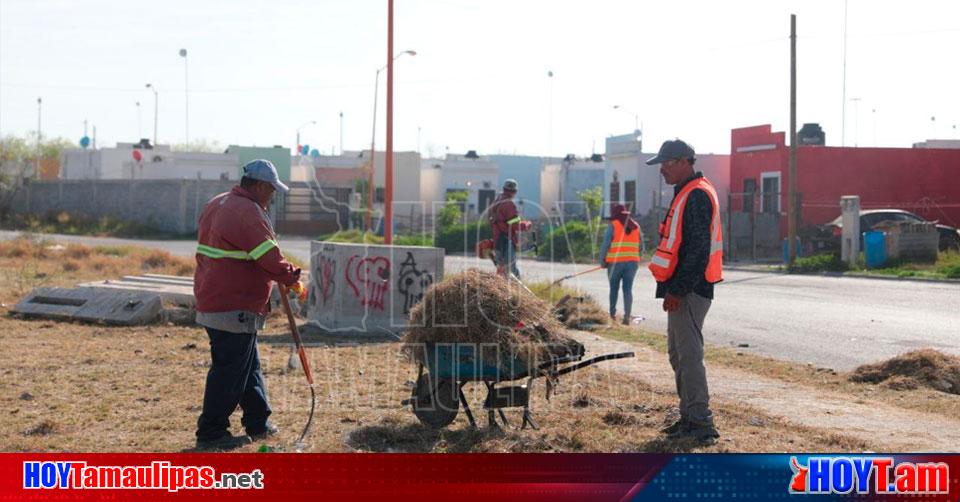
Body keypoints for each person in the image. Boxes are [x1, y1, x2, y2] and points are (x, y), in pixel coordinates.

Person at [193, 159, 305, 451]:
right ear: (257, 186)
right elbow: (268, 257)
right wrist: (291, 277)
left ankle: (258, 421)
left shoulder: (219, 203)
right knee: (230, 371)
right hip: (234, 304)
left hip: (214, 298)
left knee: (247, 365)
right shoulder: (246, 211)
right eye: (271, 190)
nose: (272, 196)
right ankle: (211, 430)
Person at [645, 139, 724, 444]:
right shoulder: (687, 192)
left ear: (683, 162)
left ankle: (701, 424)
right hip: (682, 289)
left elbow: (697, 251)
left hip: (691, 290)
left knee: (688, 356)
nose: (662, 170)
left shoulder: (697, 195)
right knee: (678, 355)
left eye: (666, 163)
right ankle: (689, 417)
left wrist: (677, 290)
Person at [598, 203, 642, 325]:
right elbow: (641, 246)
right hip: (632, 264)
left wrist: (602, 261)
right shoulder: (636, 226)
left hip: (615, 263)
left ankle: (612, 315)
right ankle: (627, 318)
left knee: (614, 289)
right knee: (628, 290)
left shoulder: (613, 225)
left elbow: (606, 245)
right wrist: (636, 258)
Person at [488, 179, 531, 278]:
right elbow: (515, 225)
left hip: (497, 239)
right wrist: (527, 225)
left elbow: (491, 218)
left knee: (501, 268)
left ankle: (503, 290)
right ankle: (518, 291)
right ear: (515, 192)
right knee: (510, 269)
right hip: (506, 240)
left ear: (504, 189)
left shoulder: (497, 200)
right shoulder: (508, 204)